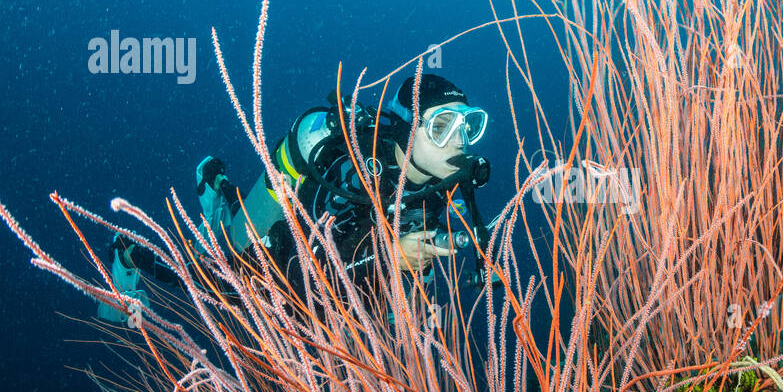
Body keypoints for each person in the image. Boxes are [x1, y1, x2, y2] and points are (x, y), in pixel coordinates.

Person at [98, 73, 492, 321]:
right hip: (280, 260)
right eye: (443, 125)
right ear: (407, 129)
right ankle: (129, 252)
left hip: (347, 304)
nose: (459, 140)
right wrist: (390, 257)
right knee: (211, 283)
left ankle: (219, 188)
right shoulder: (354, 175)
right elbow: (311, 274)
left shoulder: (438, 185)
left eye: (469, 125)